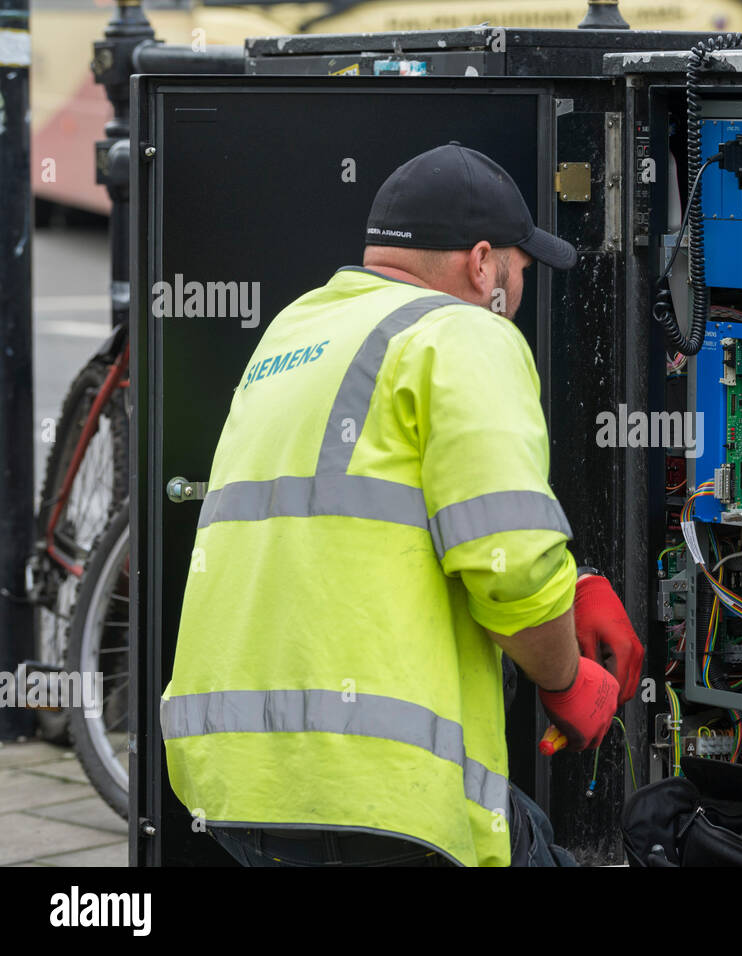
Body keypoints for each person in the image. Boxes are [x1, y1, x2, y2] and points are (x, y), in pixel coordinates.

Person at [159, 143, 645, 867]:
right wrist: (566, 678)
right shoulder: (465, 331)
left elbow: (353, 527)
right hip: (377, 787)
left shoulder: (294, 332)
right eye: (519, 271)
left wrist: (567, 587)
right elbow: (507, 568)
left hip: (234, 782)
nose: (517, 293)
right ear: (482, 264)